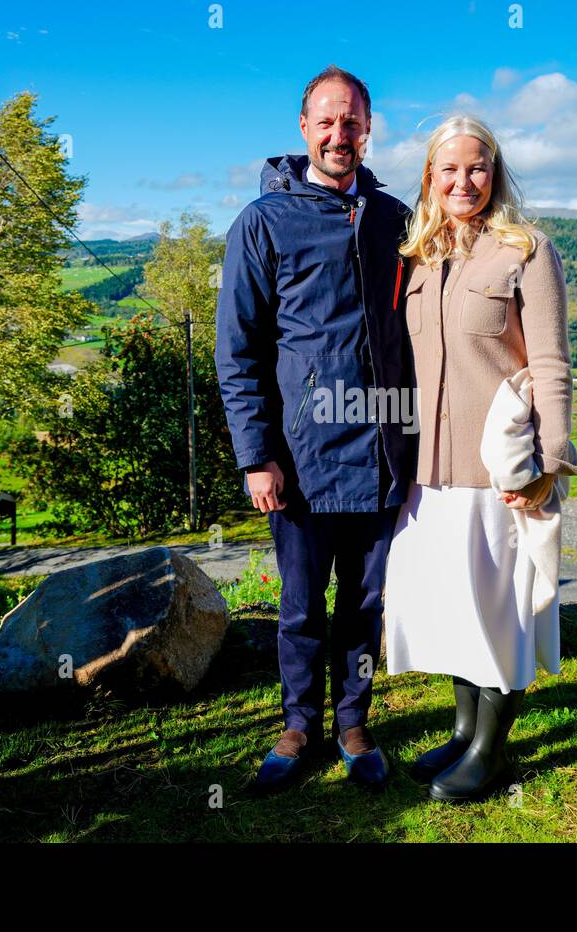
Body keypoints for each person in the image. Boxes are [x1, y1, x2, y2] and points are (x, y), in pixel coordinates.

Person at [214, 65, 416, 794]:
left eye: (353, 122)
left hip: (383, 455)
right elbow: (236, 351)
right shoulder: (262, 223)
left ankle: (353, 723)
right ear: (304, 128)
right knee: (300, 610)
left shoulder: (396, 219)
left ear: (368, 129)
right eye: (327, 121)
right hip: (298, 461)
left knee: (364, 608)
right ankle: (298, 725)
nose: (341, 134)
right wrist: (256, 456)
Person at [384, 114, 577, 802]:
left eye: (477, 167)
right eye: (448, 169)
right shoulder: (422, 260)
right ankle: (465, 733)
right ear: (429, 179)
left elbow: (552, 361)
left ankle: (492, 753)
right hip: (431, 475)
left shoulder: (527, 251)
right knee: (456, 611)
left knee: (499, 616)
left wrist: (551, 463)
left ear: (494, 174)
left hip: (500, 472)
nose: (462, 181)